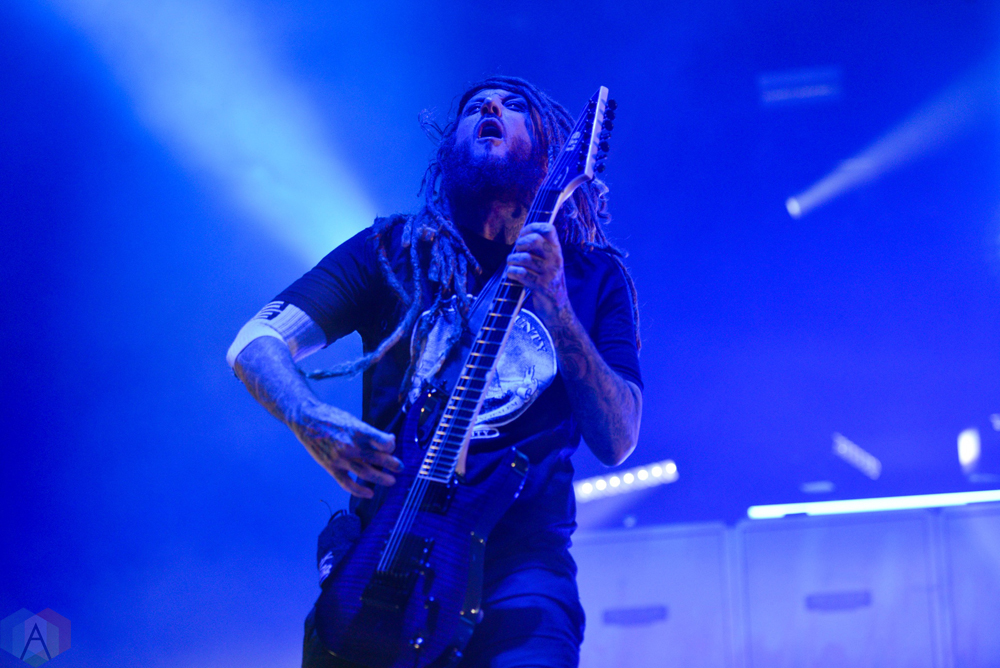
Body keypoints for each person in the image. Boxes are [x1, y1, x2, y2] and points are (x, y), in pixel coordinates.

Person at [226, 76, 642, 668]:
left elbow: (619, 438)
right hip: (388, 558)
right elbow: (256, 340)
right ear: (447, 153)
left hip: (523, 571)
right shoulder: (395, 251)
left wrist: (560, 307)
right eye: (475, 106)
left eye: (513, 104)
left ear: (552, 153)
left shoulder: (594, 278)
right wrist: (308, 415)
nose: (490, 107)